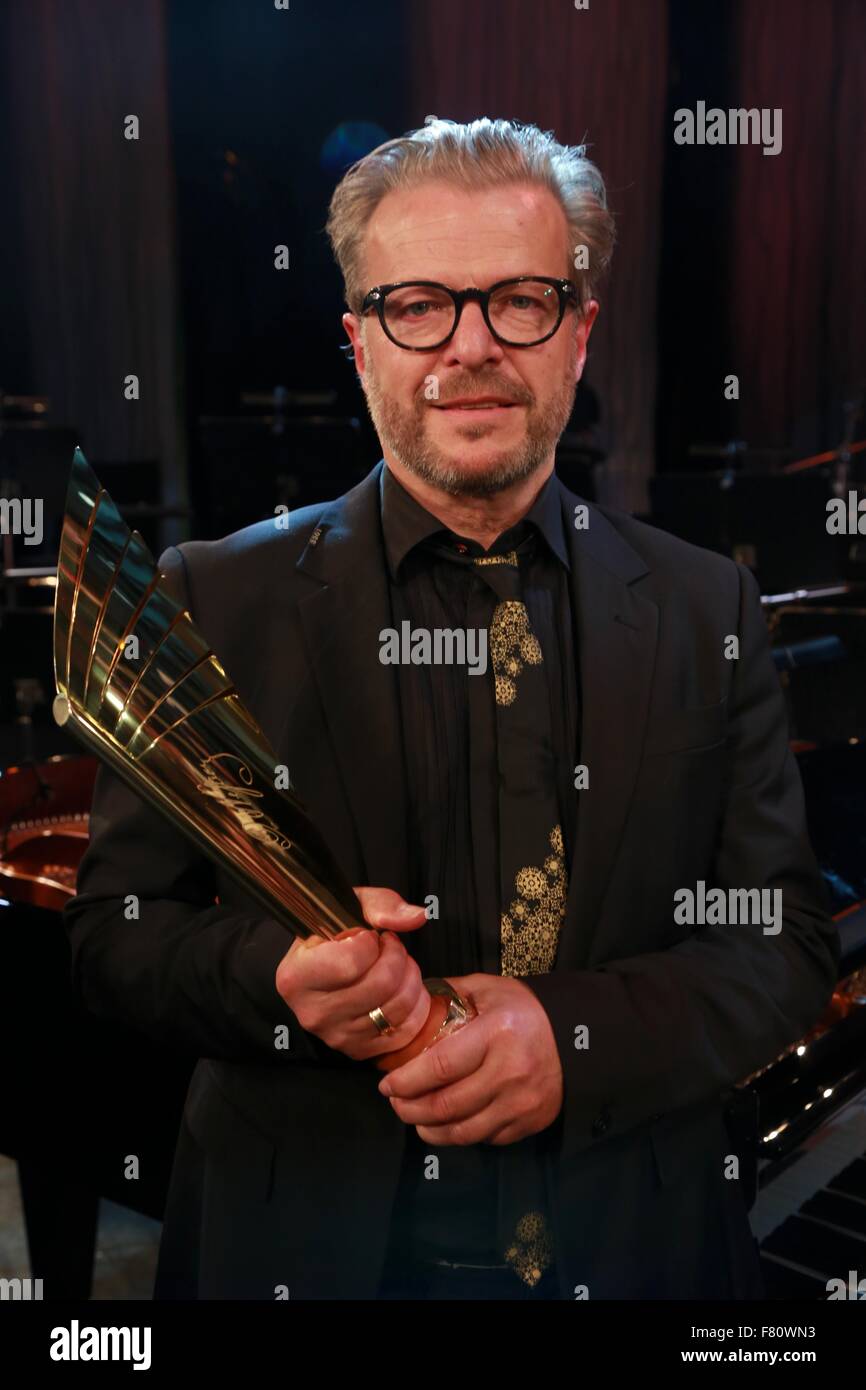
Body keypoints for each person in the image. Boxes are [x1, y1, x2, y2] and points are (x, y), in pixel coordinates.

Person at [65, 116, 839, 1301]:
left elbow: (782, 944)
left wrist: (572, 1039)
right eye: (416, 303)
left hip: (638, 1257)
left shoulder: (704, 603)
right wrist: (272, 977)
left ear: (577, 335)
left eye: (519, 300)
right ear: (358, 341)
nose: (468, 346)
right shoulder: (208, 597)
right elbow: (116, 933)